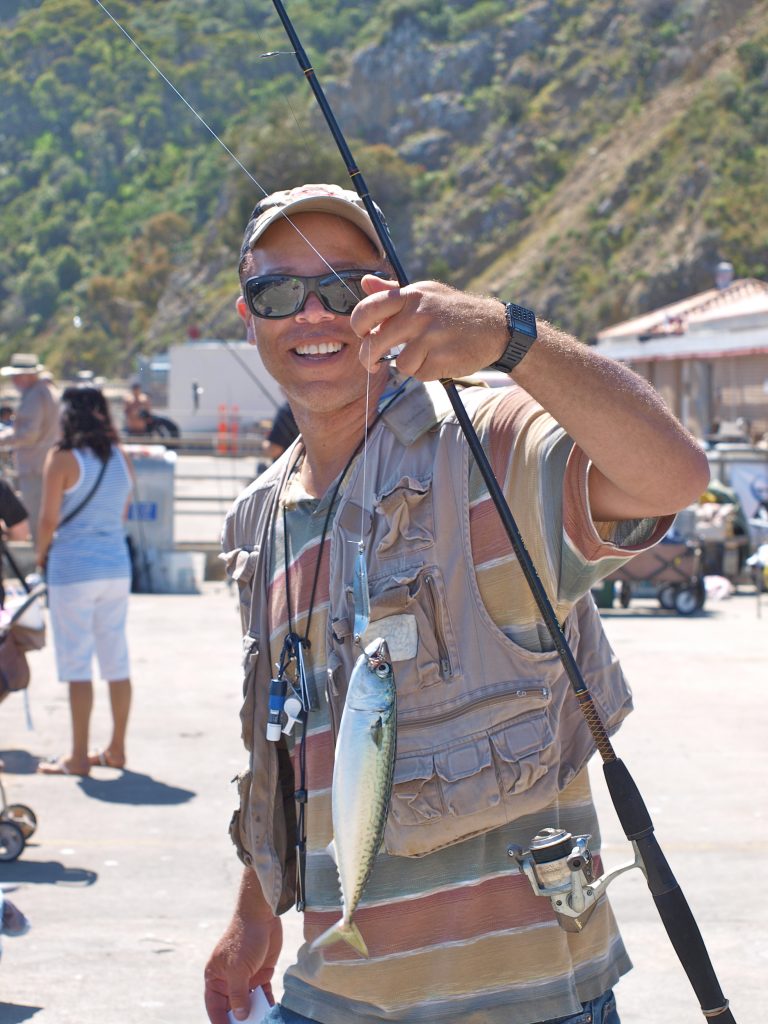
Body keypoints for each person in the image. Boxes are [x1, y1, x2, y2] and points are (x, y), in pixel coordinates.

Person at [204, 184, 710, 1024]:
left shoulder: (490, 444)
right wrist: (254, 910)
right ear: (247, 316)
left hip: (532, 1003)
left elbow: (673, 478)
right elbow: (290, 745)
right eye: (277, 292)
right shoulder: (256, 520)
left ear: (390, 296)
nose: (312, 314)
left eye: (342, 286)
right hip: (329, 995)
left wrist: (511, 339)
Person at [35, 386, 135, 777]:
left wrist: (40, 555)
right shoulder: (121, 457)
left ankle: (77, 757)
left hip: (73, 568)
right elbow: (122, 512)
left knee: (77, 662)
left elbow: (47, 520)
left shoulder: (62, 457)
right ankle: (117, 749)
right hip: (116, 567)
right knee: (116, 658)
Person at [0, 353, 59, 542]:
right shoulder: (45, 391)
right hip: (44, 465)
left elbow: (28, 435)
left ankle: (42, 558)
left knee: (37, 523)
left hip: (36, 467)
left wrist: (2, 439)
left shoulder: (34, 396)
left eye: (17, 375)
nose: (14, 380)